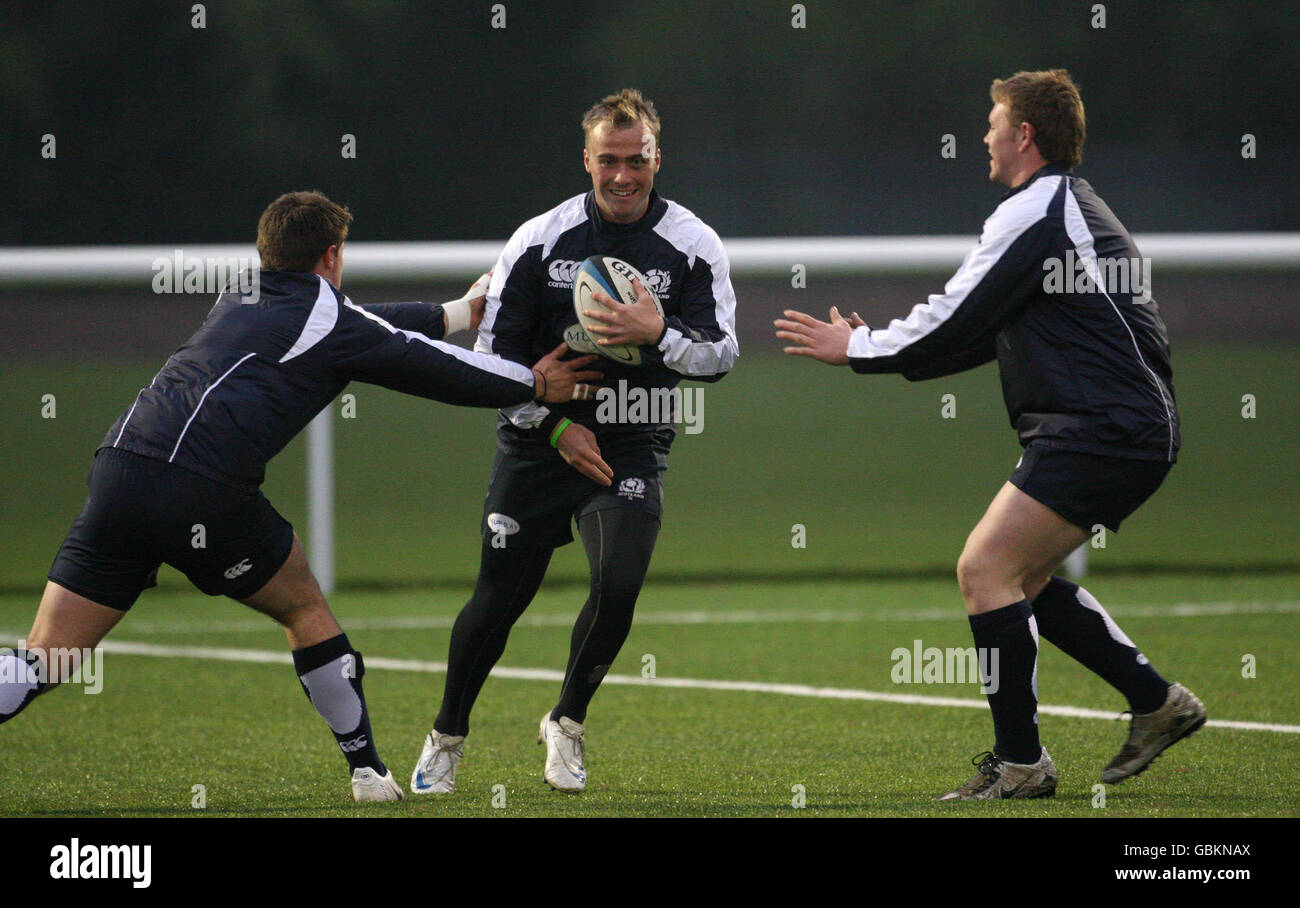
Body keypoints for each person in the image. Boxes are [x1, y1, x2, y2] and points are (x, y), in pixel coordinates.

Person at [0, 190, 599, 803]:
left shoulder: (240, 294)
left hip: (121, 468)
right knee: (304, 609)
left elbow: (375, 327)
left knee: (46, 656)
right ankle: (367, 773)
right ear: (333, 255)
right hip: (202, 488)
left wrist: (460, 310)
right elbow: (428, 365)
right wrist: (535, 380)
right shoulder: (332, 321)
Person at [775, 70, 1205, 800]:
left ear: (1024, 135)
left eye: (993, 120)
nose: (983, 134)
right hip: (1119, 426)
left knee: (985, 573)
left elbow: (955, 314)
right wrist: (875, 348)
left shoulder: (1036, 211)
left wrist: (860, 348)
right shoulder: (1066, 207)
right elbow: (983, 328)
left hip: (1104, 428)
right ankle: (1157, 703)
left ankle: (1022, 764)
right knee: (1022, 580)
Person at [411, 89, 739, 795]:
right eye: (609, 161)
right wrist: (556, 425)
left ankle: (566, 721)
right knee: (497, 602)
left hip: (632, 440)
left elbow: (721, 356)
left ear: (658, 159)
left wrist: (659, 334)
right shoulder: (540, 238)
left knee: (618, 583)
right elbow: (491, 361)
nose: (623, 177)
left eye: (637, 161)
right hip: (537, 439)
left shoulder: (692, 245)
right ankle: (448, 733)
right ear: (586, 161)